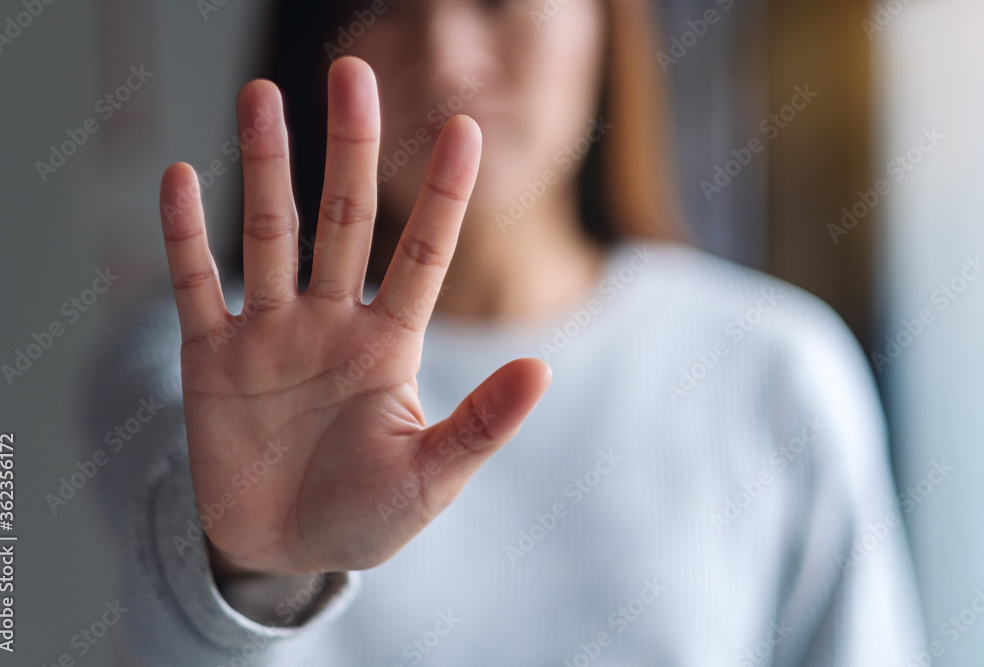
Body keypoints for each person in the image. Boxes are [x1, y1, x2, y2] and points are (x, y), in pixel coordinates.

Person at [90, 0, 927, 664]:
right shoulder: (194, 363)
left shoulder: (775, 368)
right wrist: (254, 568)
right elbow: (175, 628)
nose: (449, 61)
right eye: (382, 3)